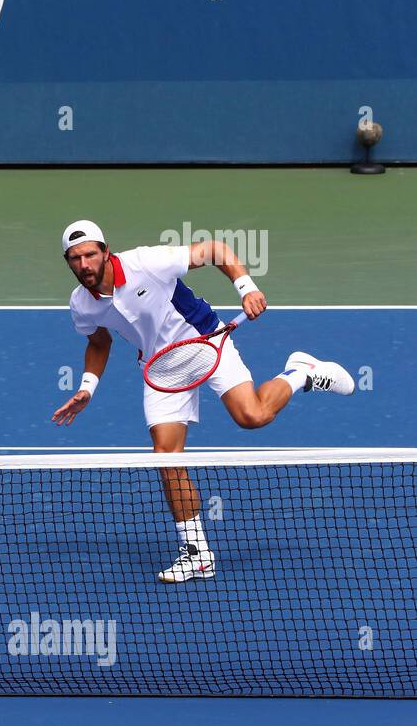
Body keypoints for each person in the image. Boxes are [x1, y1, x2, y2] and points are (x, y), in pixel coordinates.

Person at [50, 220, 353, 583]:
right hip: (161, 368)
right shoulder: (81, 303)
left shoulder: (147, 262)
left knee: (253, 416)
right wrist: (87, 387)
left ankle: (301, 372)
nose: (84, 264)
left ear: (105, 251)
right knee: (166, 459)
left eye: (89, 255)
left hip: (206, 342)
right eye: (75, 258)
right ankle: (197, 554)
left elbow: (214, 250)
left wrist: (246, 287)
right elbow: (99, 342)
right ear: (68, 261)